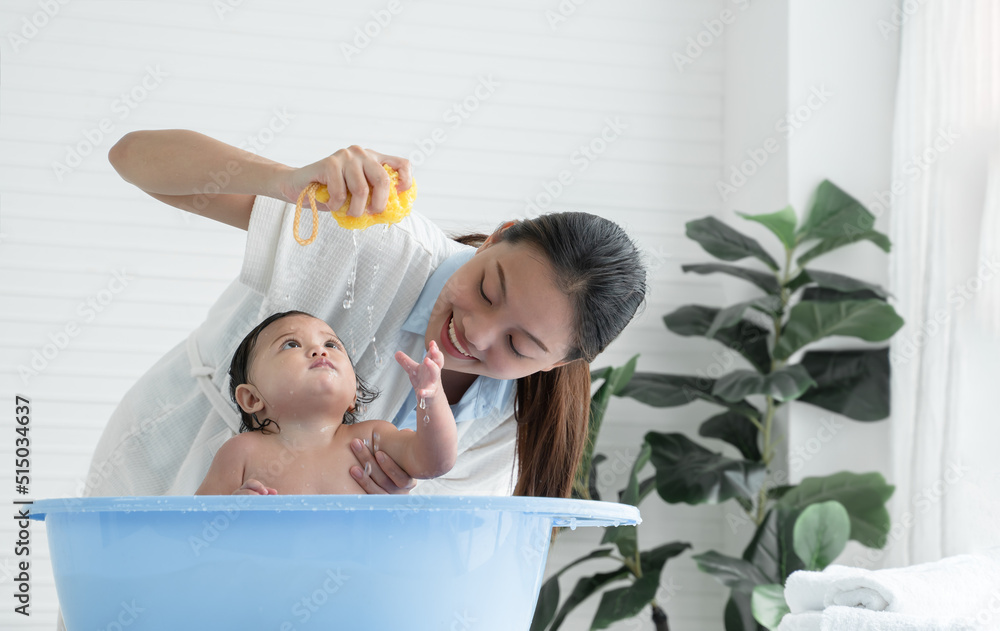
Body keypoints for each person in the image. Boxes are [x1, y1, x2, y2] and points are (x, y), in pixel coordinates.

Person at [83, 130, 647, 500]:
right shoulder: (374, 243)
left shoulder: (509, 420)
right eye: (489, 289)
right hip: (161, 469)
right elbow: (131, 158)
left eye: (520, 346)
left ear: (558, 364)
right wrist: (287, 182)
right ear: (495, 239)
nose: (475, 332)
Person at [195, 310, 456, 495]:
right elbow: (192, 526)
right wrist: (232, 511)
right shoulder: (241, 453)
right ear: (252, 398)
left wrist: (431, 398)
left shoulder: (374, 438)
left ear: (353, 395)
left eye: (331, 344)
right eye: (291, 344)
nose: (320, 351)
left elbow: (434, 462)